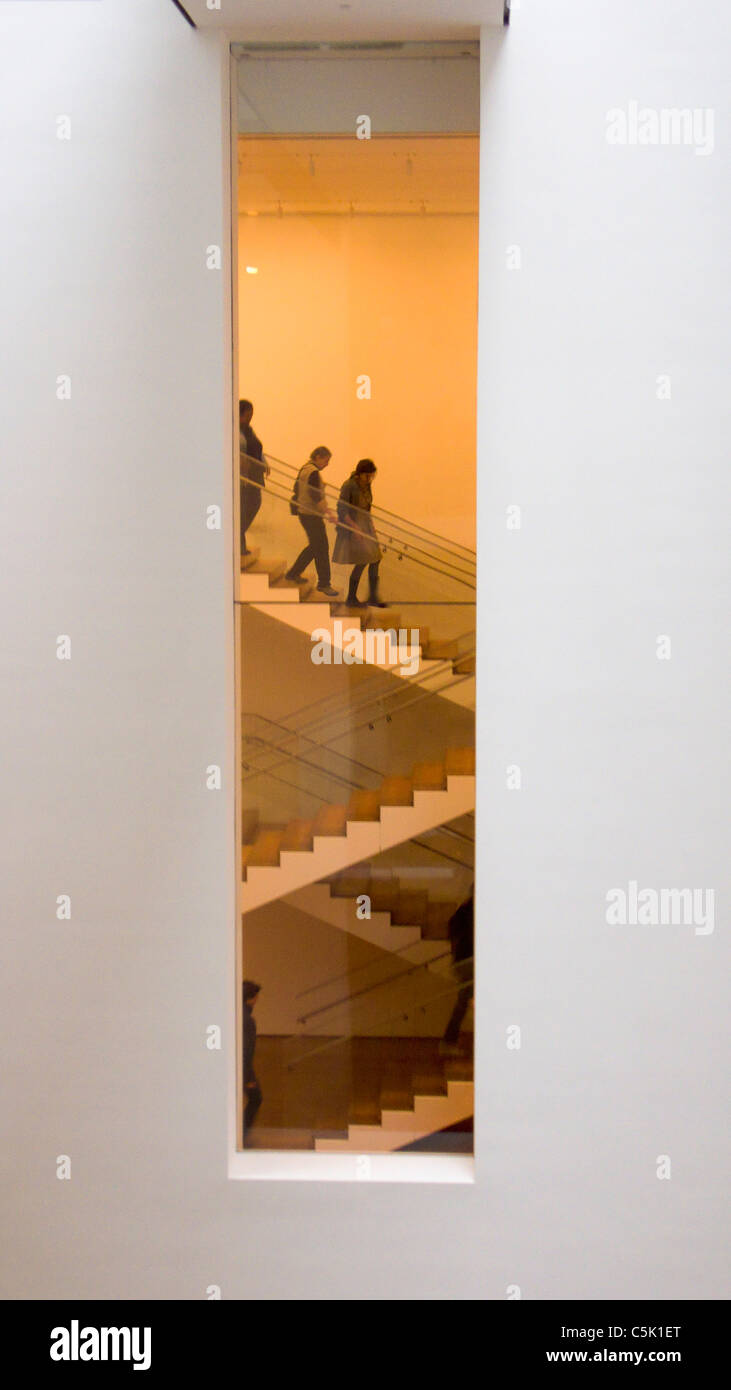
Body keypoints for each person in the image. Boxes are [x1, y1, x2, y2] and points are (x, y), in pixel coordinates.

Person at [284, 446, 339, 597]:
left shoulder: (305, 469)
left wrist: (320, 487)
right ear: (319, 457)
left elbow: (297, 488)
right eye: (326, 460)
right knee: (321, 548)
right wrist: (329, 513)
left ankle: (293, 573)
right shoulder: (313, 472)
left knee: (315, 547)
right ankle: (324, 584)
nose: (327, 464)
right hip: (311, 515)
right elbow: (316, 497)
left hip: (305, 513)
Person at [332, 458, 387, 608]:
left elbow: (367, 508)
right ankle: (351, 597)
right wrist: (355, 528)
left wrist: (370, 526)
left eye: (372, 476)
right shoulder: (349, 486)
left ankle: (372, 596)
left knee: (375, 558)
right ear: (360, 474)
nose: (370, 479)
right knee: (363, 561)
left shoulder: (366, 486)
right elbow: (342, 509)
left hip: (366, 527)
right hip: (355, 528)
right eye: (367, 475)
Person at [440, 891, 474, 1056]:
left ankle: (449, 1041)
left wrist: (455, 950)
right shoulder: (474, 911)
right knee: (464, 1003)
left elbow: (451, 929)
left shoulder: (465, 909)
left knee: (463, 1003)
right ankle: (448, 1041)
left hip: (462, 961)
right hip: (470, 961)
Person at [239, 400, 268, 556]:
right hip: (244, 479)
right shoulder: (232, 431)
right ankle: (238, 542)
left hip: (255, 476)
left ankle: (237, 538)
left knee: (254, 504)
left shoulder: (248, 430)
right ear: (240, 414)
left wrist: (265, 463)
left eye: (251, 415)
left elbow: (258, 448)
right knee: (244, 509)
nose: (250, 418)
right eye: (248, 415)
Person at [242, 978, 263, 1130]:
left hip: (237, 1068)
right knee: (256, 1098)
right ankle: (241, 1133)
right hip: (243, 1070)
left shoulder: (236, 1015)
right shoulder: (248, 1020)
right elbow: (247, 1050)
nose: (257, 1000)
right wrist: (249, 1078)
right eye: (256, 996)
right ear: (250, 998)